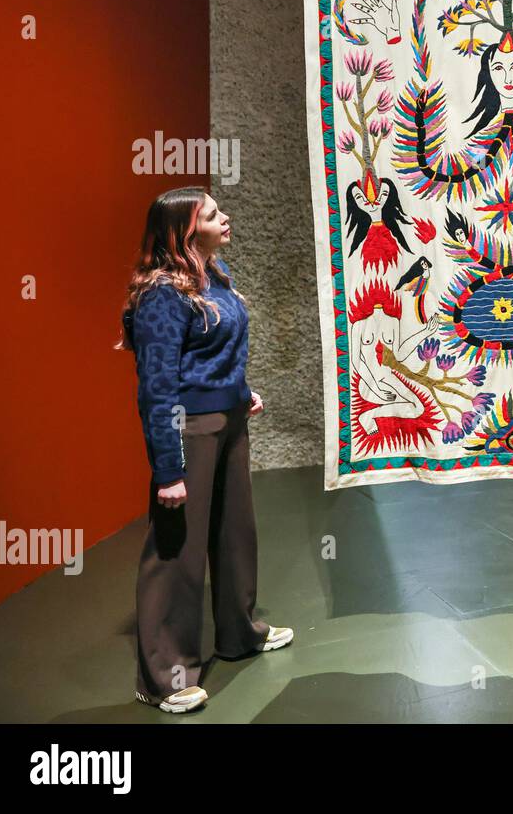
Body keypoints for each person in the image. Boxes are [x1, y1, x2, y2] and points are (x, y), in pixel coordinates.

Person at [116, 187, 293, 713]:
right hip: (188, 430)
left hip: (230, 422)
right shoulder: (162, 295)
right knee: (178, 549)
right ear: (186, 232)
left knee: (236, 534)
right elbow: (157, 385)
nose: (226, 217)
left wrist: (240, 394)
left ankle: (241, 633)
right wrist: (169, 468)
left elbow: (217, 354)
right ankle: (165, 677)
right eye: (214, 215)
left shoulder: (214, 277)